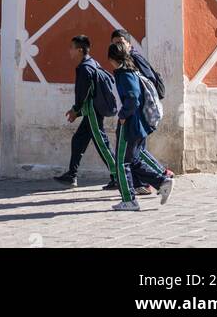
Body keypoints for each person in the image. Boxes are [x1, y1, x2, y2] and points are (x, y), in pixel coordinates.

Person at [107, 41, 174, 212]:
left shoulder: (124, 74)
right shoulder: (131, 71)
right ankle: (161, 181)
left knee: (121, 163)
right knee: (134, 160)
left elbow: (132, 98)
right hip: (138, 124)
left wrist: (122, 116)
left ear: (113, 58)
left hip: (130, 124)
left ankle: (129, 200)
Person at [53, 35, 117, 188]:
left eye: (72, 48)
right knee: (78, 141)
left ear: (80, 50)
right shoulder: (92, 63)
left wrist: (76, 110)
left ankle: (118, 176)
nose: (70, 51)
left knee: (102, 144)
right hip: (90, 112)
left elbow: (83, 94)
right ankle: (71, 175)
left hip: (93, 113)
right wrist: (78, 110)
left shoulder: (85, 68)